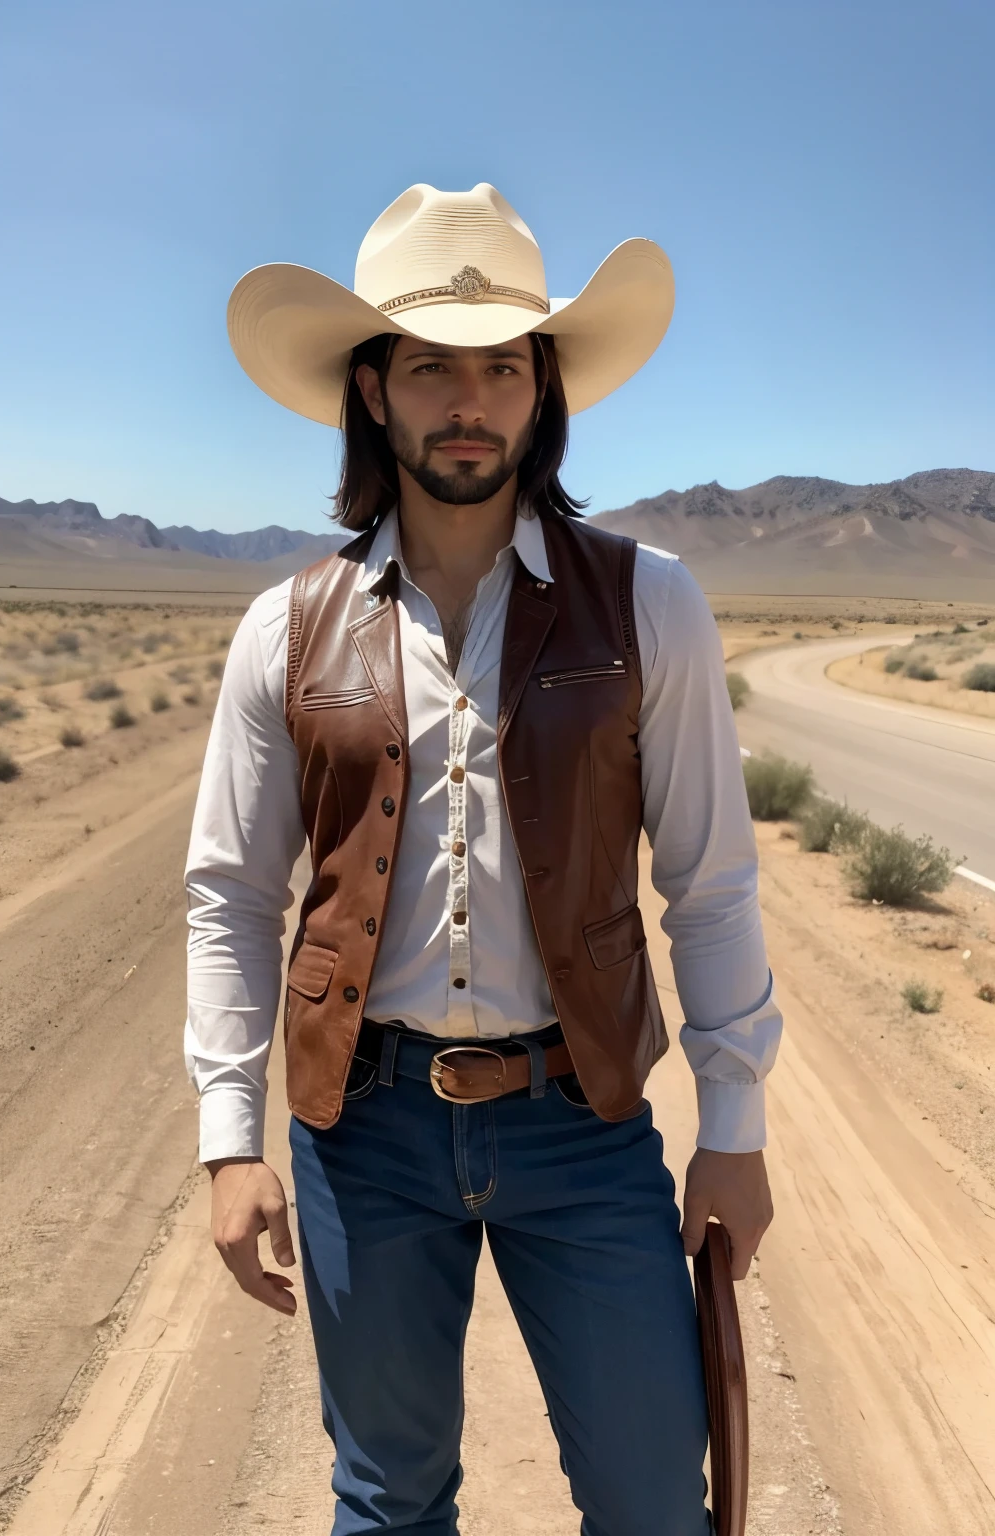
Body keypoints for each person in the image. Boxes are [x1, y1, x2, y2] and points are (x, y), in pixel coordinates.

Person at [183, 182, 781, 1536]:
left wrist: (735, 1129)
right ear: (373, 390)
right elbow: (231, 892)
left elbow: (711, 881)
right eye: (430, 364)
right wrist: (230, 1140)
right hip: (367, 1131)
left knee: (649, 1503)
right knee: (390, 1501)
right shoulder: (287, 627)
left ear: (542, 390)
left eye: (502, 364)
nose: (468, 400)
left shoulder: (650, 603)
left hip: (585, 1123)